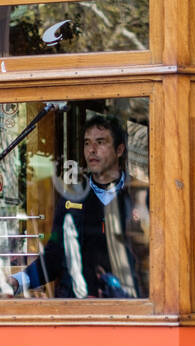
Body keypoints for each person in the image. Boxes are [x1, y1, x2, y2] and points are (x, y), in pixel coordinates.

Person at [9, 114, 146, 299]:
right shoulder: (72, 197)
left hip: (128, 306)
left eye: (100, 142)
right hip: (76, 307)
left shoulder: (139, 195)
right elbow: (54, 255)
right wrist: (18, 281)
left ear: (120, 150)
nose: (92, 150)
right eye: (87, 143)